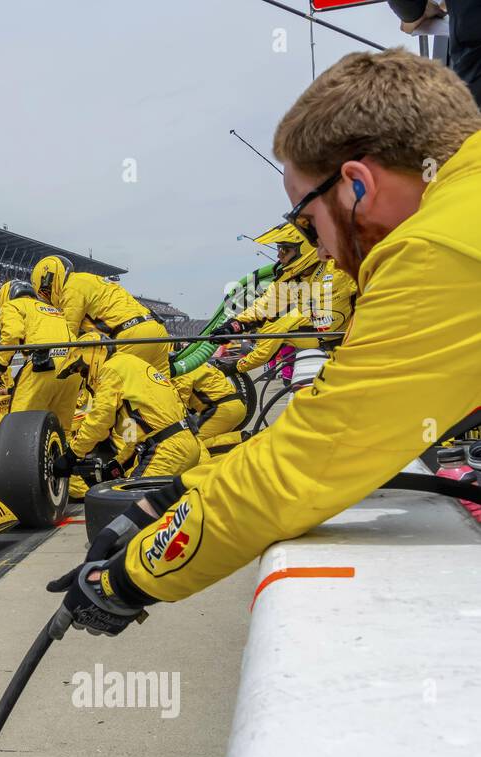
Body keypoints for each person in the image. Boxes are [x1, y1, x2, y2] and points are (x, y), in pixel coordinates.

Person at [47, 49, 481, 637]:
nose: (319, 250)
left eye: (305, 222)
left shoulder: (436, 252)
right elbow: (316, 435)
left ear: (356, 186)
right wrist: (164, 499)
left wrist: (123, 582)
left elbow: (303, 469)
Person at [52, 333, 201, 481]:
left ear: (92, 355)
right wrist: (117, 465)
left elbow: (99, 420)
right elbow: (146, 435)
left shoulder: (110, 369)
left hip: (167, 451)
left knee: (130, 502)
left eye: (83, 370)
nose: (84, 376)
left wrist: (71, 455)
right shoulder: (130, 364)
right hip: (185, 444)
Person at [214, 257, 358, 381]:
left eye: (285, 250)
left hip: (349, 344)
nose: (279, 255)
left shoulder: (271, 323)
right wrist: (235, 325)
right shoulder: (294, 283)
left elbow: (261, 355)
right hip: (334, 346)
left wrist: (230, 368)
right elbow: (265, 304)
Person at [30, 255, 169, 369]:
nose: (48, 299)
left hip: (131, 336)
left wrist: (44, 353)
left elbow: (66, 334)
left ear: (50, 280)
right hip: (157, 330)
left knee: (108, 387)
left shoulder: (71, 288)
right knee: (162, 390)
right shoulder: (88, 280)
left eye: (45, 293)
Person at [0, 279, 78, 423]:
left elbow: (12, 334)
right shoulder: (54, 311)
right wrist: (12, 391)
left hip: (42, 366)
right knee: (61, 427)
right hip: (71, 371)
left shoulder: (12, 305)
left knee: (18, 424)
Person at [173, 360, 248, 457]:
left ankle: (245, 441)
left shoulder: (180, 370)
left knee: (192, 444)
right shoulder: (197, 363)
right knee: (210, 440)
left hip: (221, 409)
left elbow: (178, 399)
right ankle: (244, 440)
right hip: (238, 404)